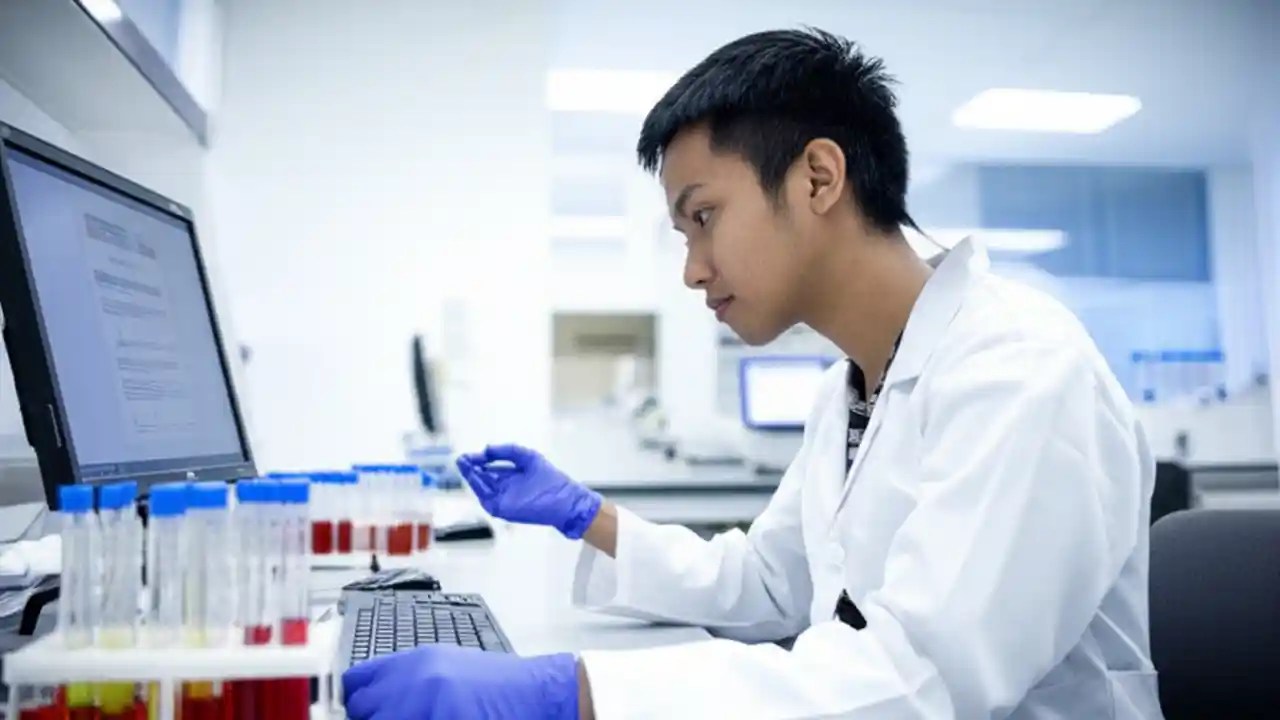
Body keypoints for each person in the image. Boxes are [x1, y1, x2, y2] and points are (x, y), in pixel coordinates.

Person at [342, 28, 1161, 719]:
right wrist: (590, 517)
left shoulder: (1019, 370)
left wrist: (577, 693)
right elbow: (771, 584)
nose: (692, 269)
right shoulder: (851, 388)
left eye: (704, 217)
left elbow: (920, 680)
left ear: (818, 178)